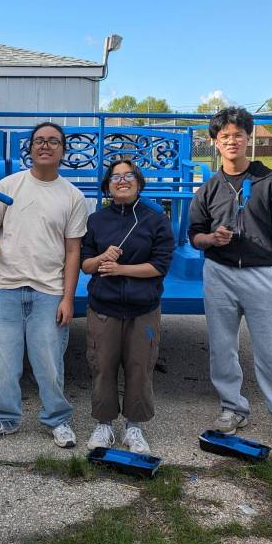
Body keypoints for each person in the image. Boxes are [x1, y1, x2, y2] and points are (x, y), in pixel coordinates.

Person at [188, 106, 272, 456]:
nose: (231, 141)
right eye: (224, 136)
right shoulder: (209, 188)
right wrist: (212, 239)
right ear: (215, 142)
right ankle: (232, 408)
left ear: (248, 138)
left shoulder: (270, 181)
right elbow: (194, 234)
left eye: (238, 135)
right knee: (222, 348)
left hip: (262, 274)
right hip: (219, 273)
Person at [0, 122, 88, 448]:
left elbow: (73, 251)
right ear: (31, 148)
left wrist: (68, 298)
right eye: (39, 141)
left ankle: (57, 419)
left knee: (49, 362)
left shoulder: (73, 196)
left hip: (49, 291)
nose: (45, 146)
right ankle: (3, 418)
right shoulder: (9, 185)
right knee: (2, 361)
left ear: (63, 151)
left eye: (53, 141)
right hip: (6, 287)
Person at [81, 160, 174, 454]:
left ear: (139, 182)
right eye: (115, 177)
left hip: (143, 308)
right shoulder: (96, 220)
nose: (122, 181)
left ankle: (134, 426)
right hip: (104, 307)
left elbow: (160, 266)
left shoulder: (156, 220)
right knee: (102, 365)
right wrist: (102, 258)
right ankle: (104, 424)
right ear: (107, 186)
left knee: (140, 367)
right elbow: (86, 265)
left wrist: (121, 269)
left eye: (129, 175)